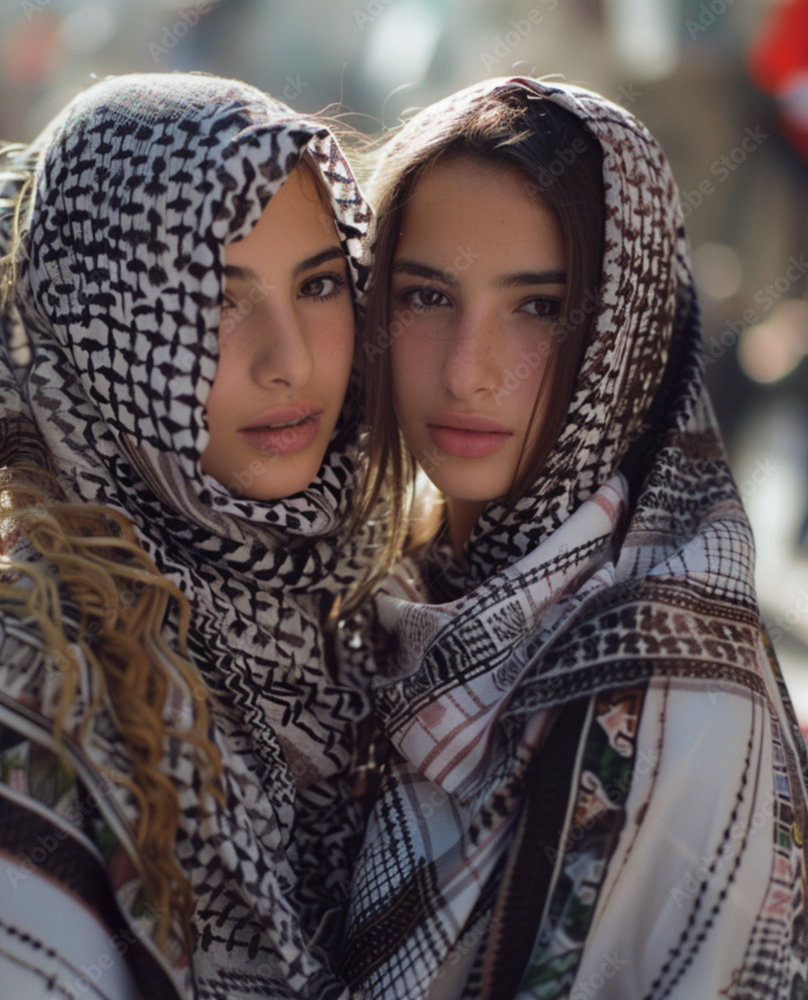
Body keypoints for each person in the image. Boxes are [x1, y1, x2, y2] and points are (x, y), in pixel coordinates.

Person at [0, 73, 379, 999]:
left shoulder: (352, 601)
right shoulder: (10, 661)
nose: (292, 359)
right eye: (218, 296)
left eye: (318, 283)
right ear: (97, 321)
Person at [341, 77, 808, 999]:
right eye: (427, 296)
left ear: (625, 334)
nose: (470, 371)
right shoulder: (381, 603)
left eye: (541, 307)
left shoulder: (673, 698)